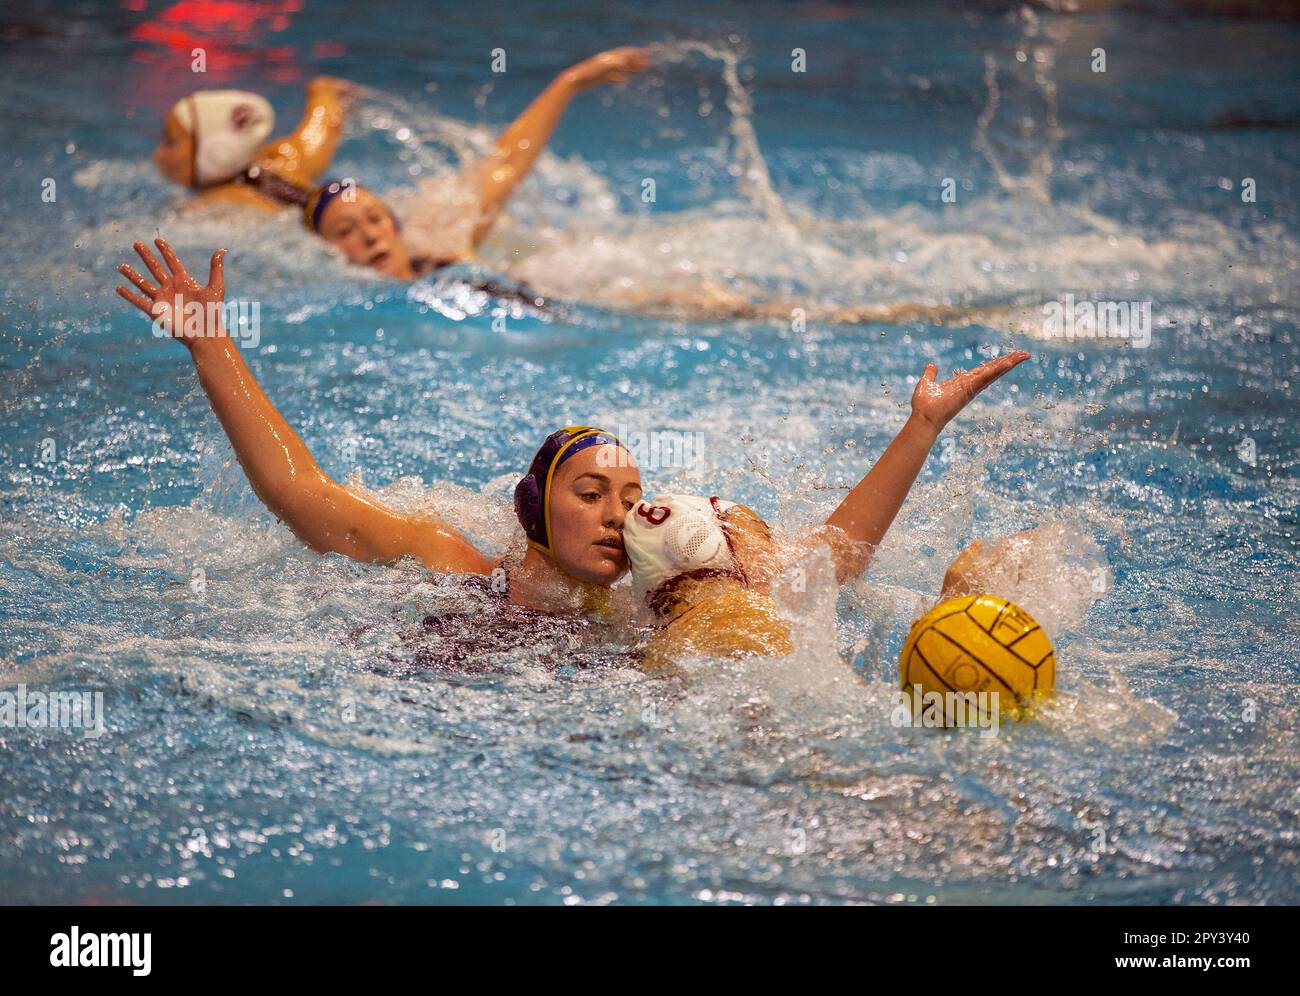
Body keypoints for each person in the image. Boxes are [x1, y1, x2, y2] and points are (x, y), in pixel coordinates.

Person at [112, 238, 1028, 647]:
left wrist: (919, 429)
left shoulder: (662, 601)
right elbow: (300, 492)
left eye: (630, 498)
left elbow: (836, 561)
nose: (616, 513)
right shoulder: (456, 569)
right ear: (534, 511)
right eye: (590, 493)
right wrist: (213, 342)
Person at [152, 49, 652, 281]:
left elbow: (505, 164)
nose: (370, 236)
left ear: (394, 223)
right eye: (348, 230)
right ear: (324, 250)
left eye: (374, 219)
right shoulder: (323, 284)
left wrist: (570, 80)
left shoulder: (442, 247)